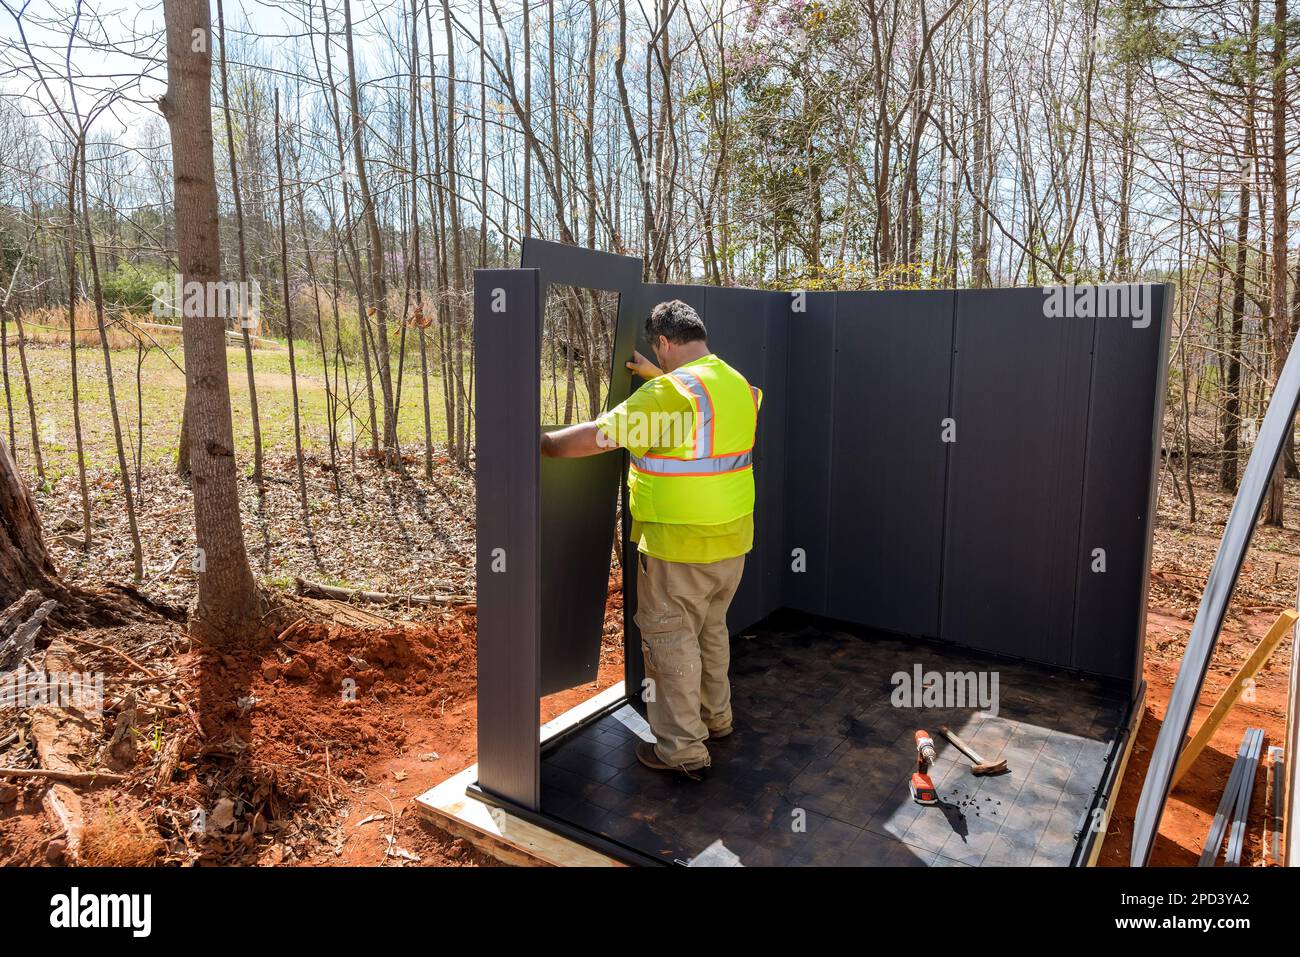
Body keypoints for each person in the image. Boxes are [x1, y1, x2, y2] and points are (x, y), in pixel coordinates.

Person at [540, 299, 761, 774]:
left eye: (657, 353)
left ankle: (682, 752)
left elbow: (601, 436)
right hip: (732, 542)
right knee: (710, 632)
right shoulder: (736, 384)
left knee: (671, 643)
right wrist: (657, 378)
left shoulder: (669, 396)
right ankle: (715, 718)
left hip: (678, 545)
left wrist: (542, 443)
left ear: (663, 342)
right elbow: (700, 415)